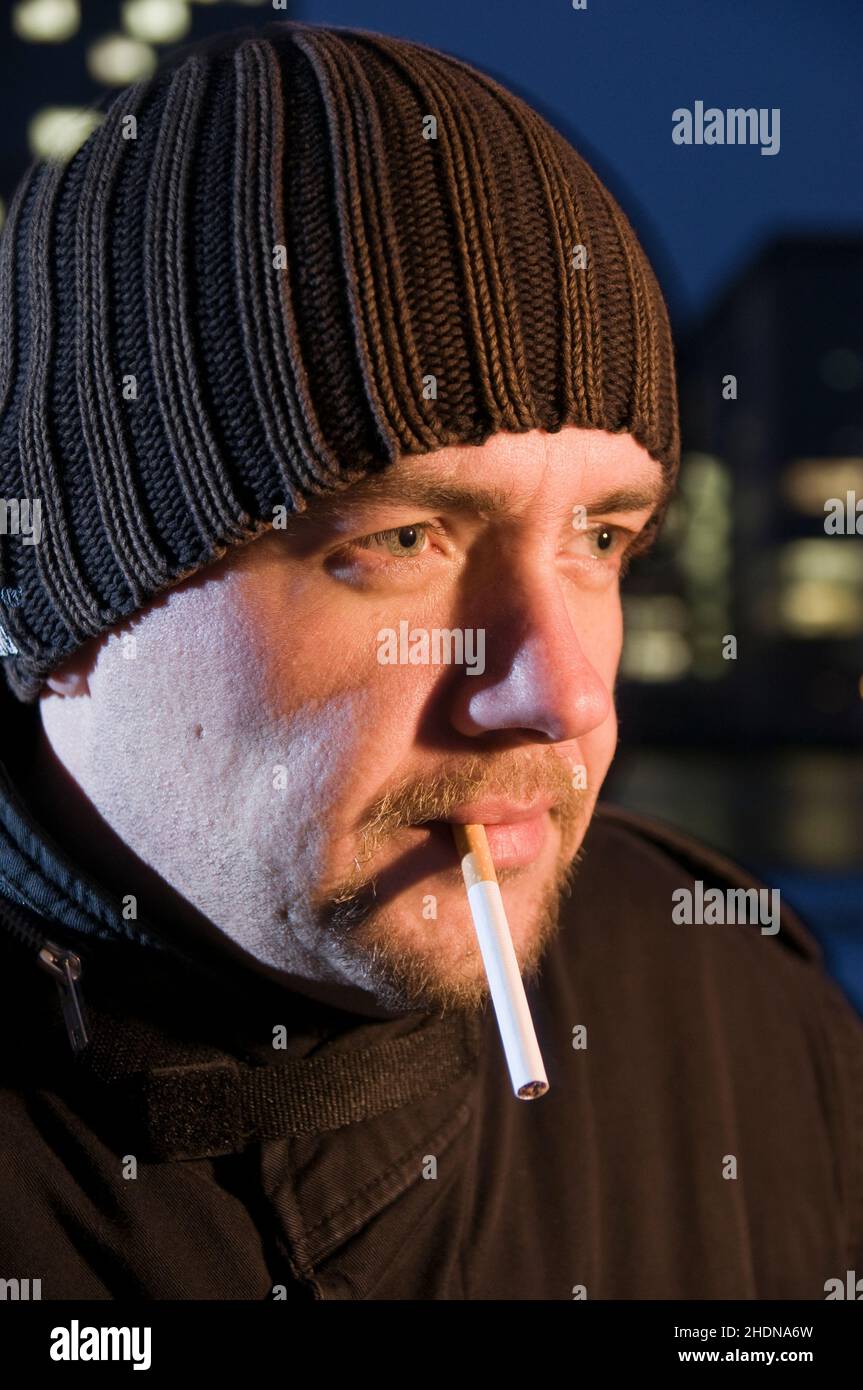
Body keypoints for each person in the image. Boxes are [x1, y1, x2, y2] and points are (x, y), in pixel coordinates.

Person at [0, 19, 859, 1302]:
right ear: (72, 601)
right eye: (403, 536)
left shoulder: (744, 1019)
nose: (562, 693)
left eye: (601, 534)